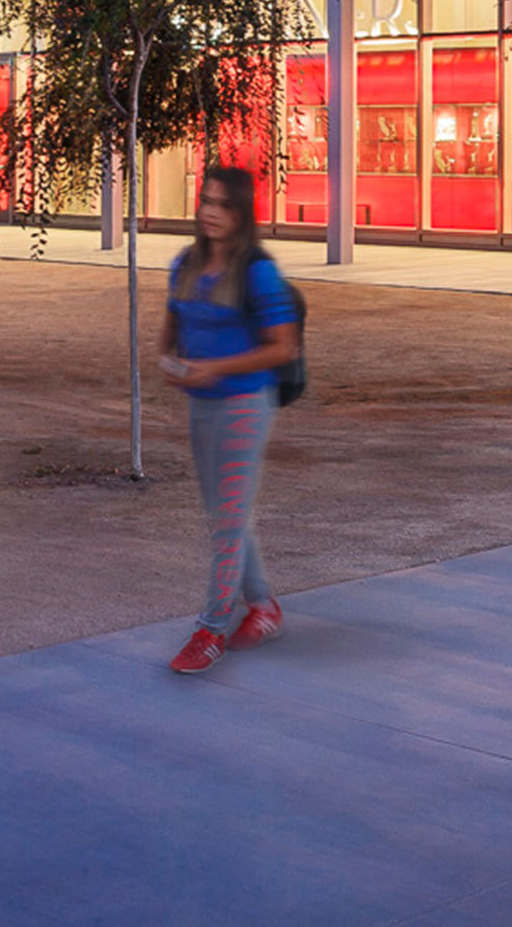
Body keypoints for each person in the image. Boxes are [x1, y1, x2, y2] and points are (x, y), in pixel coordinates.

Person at [154, 164, 300, 675]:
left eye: (223, 205)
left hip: (243, 406)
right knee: (226, 518)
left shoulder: (257, 271)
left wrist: (216, 367)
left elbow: (284, 346)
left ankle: (210, 629)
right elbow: (168, 333)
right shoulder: (185, 265)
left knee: (228, 523)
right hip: (202, 405)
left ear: (241, 213)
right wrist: (171, 363)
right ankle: (263, 607)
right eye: (206, 202)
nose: (211, 213)